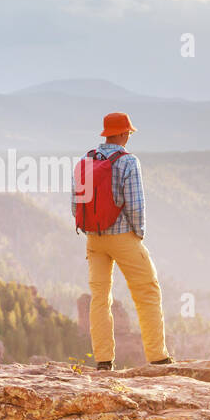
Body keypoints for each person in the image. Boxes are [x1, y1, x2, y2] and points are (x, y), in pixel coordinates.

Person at [71, 111, 173, 370]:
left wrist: (91, 229)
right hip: (122, 237)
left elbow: (76, 204)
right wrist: (137, 234)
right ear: (123, 133)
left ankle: (104, 360)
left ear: (106, 134)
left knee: (100, 297)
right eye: (128, 132)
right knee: (147, 291)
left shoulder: (86, 159)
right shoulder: (128, 162)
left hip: (93, 238)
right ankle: (157, 356)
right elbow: (136, 205)